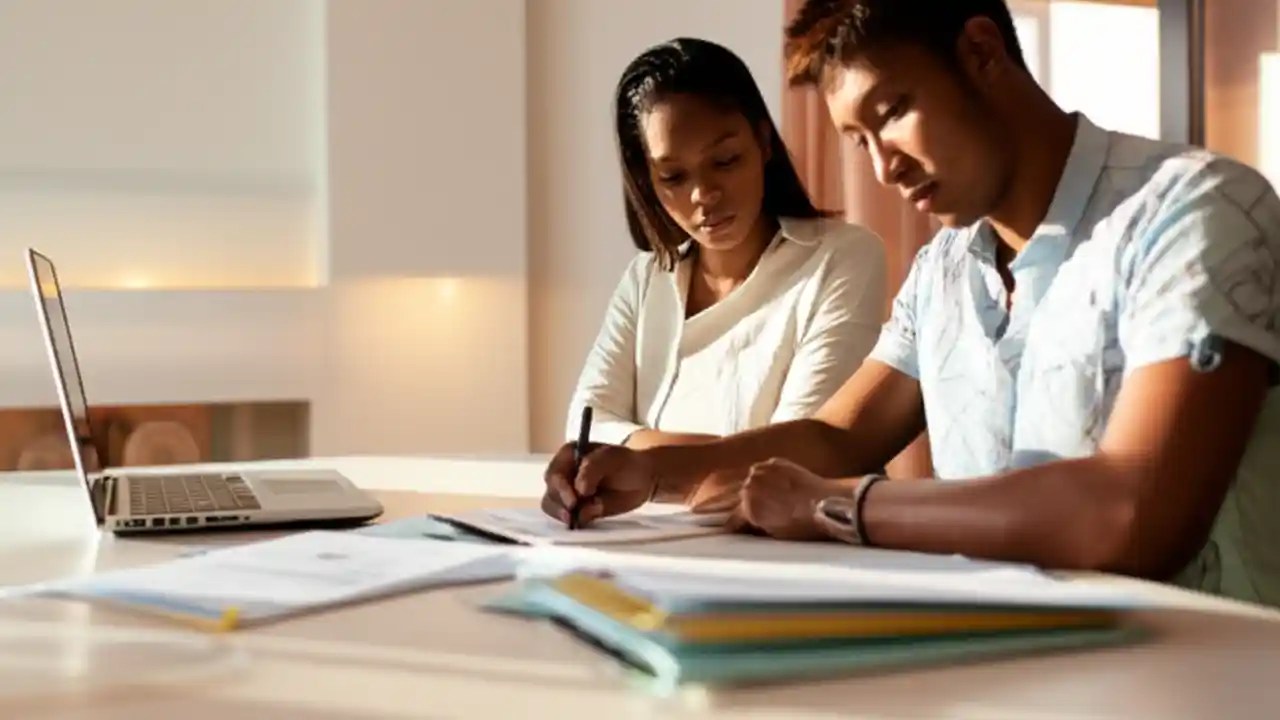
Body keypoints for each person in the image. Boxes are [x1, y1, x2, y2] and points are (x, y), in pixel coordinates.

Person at [542, 1, 1280, 608]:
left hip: (1201, 681)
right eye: (857, 140)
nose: (883, 167)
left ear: (982, 52)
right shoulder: (945, 270)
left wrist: (842, 507)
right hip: (1000, 670)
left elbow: (1133, 512)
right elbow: (837, 435)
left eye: (891, 112)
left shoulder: (1194, 212)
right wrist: (651, 475)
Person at [562, 36, 886, 504]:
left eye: (725, 161)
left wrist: (640, 461)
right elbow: (585, 425)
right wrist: (710, 460)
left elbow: (802, 456)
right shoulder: (646, 278)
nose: (703, 195)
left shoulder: (842, 258)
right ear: (646, 180)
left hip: (778, 553)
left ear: (763, 141)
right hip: (649, 547)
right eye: (673, 176)